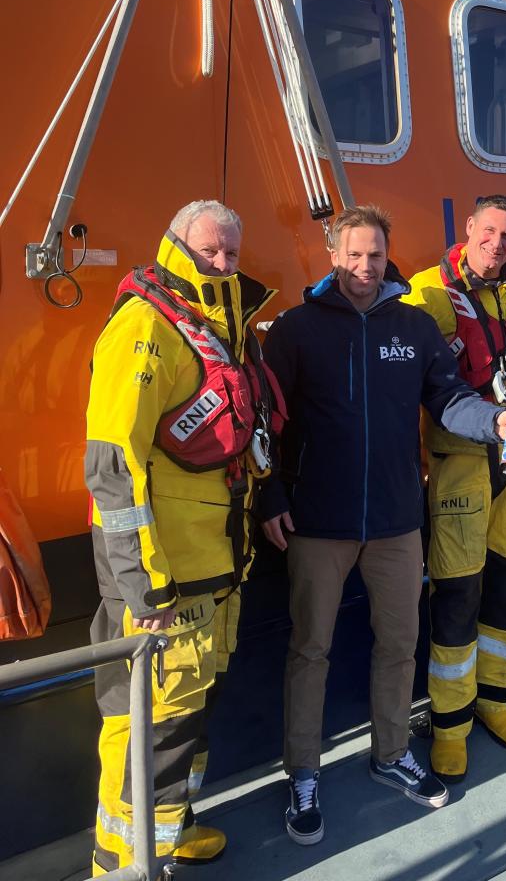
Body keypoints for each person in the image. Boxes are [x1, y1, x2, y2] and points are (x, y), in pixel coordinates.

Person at [260, 204, 506, 845]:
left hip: (395, 522)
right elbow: (264, 424)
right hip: (317, 523)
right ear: (333, 255)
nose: (364, 266)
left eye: (374, 254)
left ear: (388, 256)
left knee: (399, 646)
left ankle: (390, 754)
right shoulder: (296, 330)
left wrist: (493, 421)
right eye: (353, 254)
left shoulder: (413, 326)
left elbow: (447, 397)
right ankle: (302, 775)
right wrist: (270, 495)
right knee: (309, 651)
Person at [85, 200, 282, 876]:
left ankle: (171, 832)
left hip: (217, 564)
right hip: (165, 577)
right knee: (153, 728)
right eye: (208, 252)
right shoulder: (144, 327)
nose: (222, 264)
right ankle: (122, 867)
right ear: (174, 246)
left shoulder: (223, 325)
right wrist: (144, 583)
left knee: (189, 715)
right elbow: (113, 466)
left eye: (230, 252)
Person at [404, 195, 506, 784]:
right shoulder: (426, 293)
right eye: (488, 231)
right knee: (458, 598)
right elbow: (418, 384)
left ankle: (495, 702)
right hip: (460, 466)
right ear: (468, 229)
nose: (498, 244)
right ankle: (451, 727)